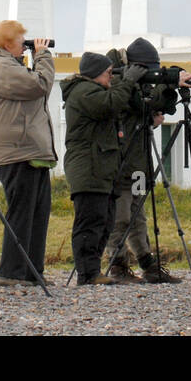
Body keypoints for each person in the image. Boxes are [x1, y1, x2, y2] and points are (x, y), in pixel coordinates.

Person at [0, 20, 56, 287]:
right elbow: (40, 85)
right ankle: (11, 273)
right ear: (6, 44)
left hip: (27, 148)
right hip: (15, 150)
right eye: (20, 40)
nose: (26, 44)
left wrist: (35, 58)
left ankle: (32, 271)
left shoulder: (8, 66)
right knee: (22, 212)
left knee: (38, 210)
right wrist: (43, 56)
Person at [104, 37, 187, 284]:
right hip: (121, 163)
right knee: (120, 217)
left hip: (139, 164)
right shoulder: (119, 81)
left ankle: (146, 262)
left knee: (138, 215)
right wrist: (167, 84)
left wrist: (153, 111)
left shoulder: (135, 83)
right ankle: (117, 265)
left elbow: (147, 106)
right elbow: (133, 104)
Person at [61, 52, 139, 285]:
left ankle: (93, 271)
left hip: (102, 168)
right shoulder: (83, 92)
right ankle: (88, 274)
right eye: (108, 73)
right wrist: (128, 81)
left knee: (104, 221)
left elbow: (116, 104)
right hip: (88, 168)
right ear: (95, 73)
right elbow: (111, 104)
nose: (111, 77)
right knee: (90, 222)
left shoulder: (95, 91)